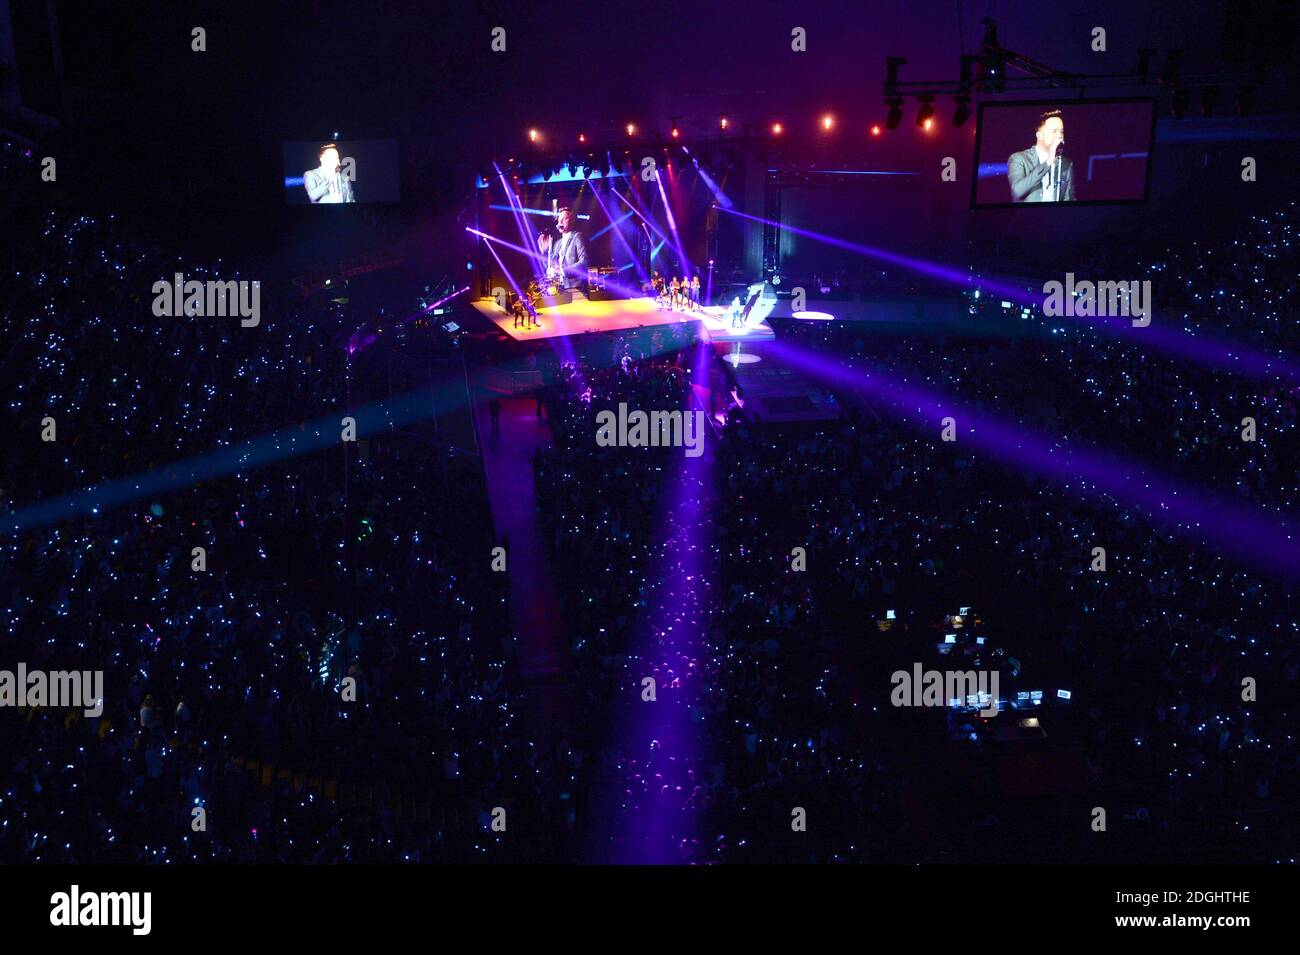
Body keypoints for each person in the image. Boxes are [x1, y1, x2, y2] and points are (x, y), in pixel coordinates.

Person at [1007, 110, 1075, 203]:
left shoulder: (1067, 163)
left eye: (1061, 131)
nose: (1059, 135)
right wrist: (1048, 162)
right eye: (1054, 131)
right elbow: (1017, 191)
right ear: (1039, 135)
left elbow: (1069, 199)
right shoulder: (1019, 159)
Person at [537, 207, 588, 290]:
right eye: (559, 219)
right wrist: (544, 252)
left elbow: (584, 263)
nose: (560, 222)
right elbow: (549, 266)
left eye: (564, 219)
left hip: (575, 288)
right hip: (560, 288)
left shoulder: (577, 237)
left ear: (572, 220)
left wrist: (562, 271)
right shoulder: (558, 243)